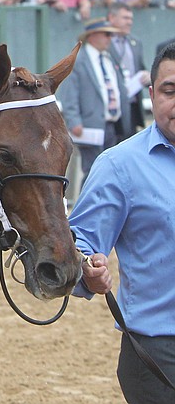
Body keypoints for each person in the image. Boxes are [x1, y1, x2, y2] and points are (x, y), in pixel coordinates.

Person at [69, 41, 175, 403]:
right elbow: (77, 243)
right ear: (151, 95)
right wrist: (87, 267)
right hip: (159, 355)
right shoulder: (119, 165)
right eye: (170, 91)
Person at [59, 17, 130, 177]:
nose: (109, 39)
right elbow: (70, 95)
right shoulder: (79, 60)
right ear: (92, 36)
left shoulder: (108, 58)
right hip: (90, 125)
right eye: (106, 34)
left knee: (111, 170)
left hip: (113, 125)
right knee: (93, 171)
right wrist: (74, 121)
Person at [107, 3, 150, 135]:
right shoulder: (103, 42)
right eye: (125, 18)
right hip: (111, 109)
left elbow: (141, 68)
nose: (129, 22)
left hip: (132, 107)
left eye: (131, 19)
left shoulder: (136, 43)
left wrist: (148, 76)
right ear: (112, 18)